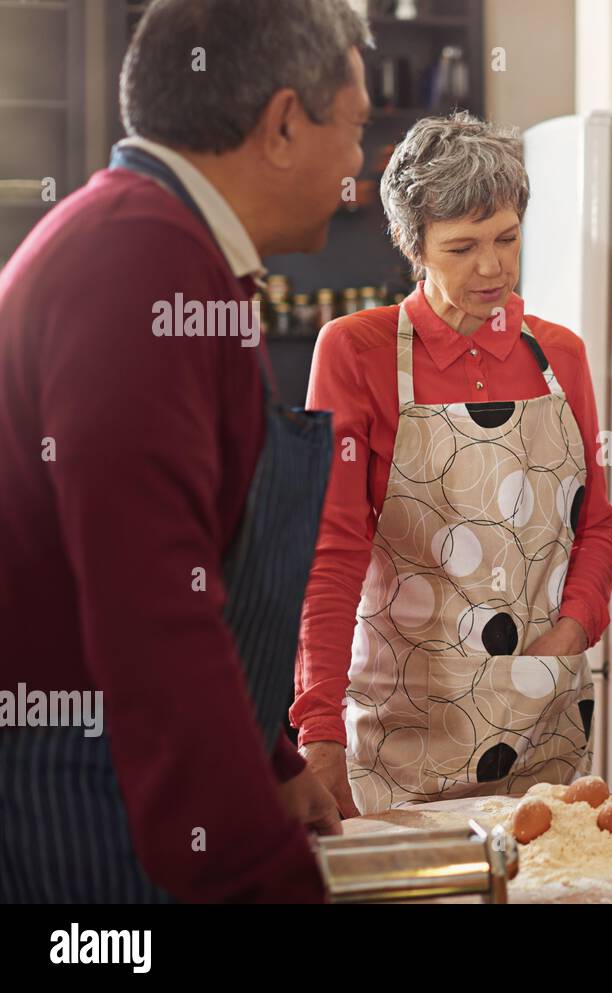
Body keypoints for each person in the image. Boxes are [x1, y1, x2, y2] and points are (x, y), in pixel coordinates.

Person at [0, 0, 372, 902]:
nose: (359, 164)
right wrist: (262, 872)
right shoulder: (140, 263)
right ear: (283, 124)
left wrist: (269, 756)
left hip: (123, 769)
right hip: (88, 793)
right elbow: (152, 613)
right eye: (357, 129)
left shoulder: (168, 246)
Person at [292, 113, 612, 816]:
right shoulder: (356, 352)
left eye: (507, 238)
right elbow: (331, 553)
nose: (493, 267)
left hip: (543, 729)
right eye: (462, 247)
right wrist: (317, 728)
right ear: (413, 246)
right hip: (405, 733)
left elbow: (595, 529)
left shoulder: (561, 355)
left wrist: (570, 632)